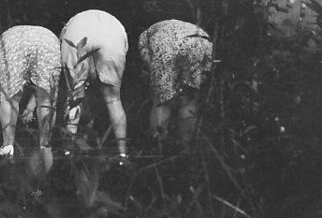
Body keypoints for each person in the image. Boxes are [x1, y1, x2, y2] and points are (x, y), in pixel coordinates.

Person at [60, 9, 129, 158]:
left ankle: (67, 152)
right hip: (113, 35)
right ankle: (123, 154)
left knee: (74, 98)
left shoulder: (71, 23)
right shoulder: (114, 21)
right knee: (113, 100)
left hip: (76, 33)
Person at [138, 19, 213, 152]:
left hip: (166, 42)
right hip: (203, 42)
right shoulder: (179, 27)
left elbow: (150, 64)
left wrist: (162, 89)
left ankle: (158, 148)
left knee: (162, 102)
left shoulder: (144, 38)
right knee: (189, 101)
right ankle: (187, 149)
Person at [0, 25, 61, 163]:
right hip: (48, 40)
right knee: (46, 100)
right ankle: (45, 147)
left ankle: (7, 148)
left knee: (9, 98)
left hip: (13, 39)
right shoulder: (51, 33)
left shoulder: (10, 32)